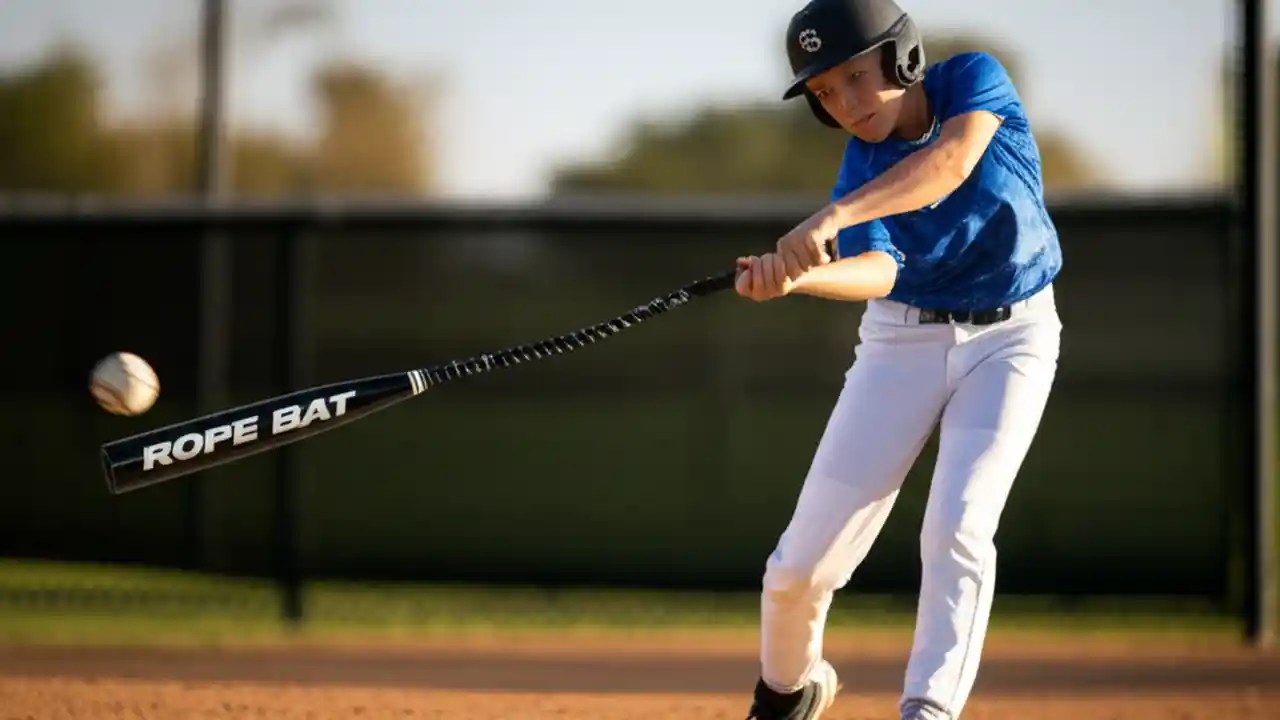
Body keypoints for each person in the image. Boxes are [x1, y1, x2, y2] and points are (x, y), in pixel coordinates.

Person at [734, 0, 1064, 718]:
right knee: (797, 568)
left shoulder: (973, 80)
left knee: (960, 523)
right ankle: (789, 691)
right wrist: (796, 278)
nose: (845, 104)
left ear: (903, 58)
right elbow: (880, 272)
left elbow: (947, 166)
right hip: (901, 342)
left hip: (1013, 337)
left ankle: (929, 706)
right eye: (824, 92)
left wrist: (831, 217)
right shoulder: (861, 168)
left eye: (855, 78)